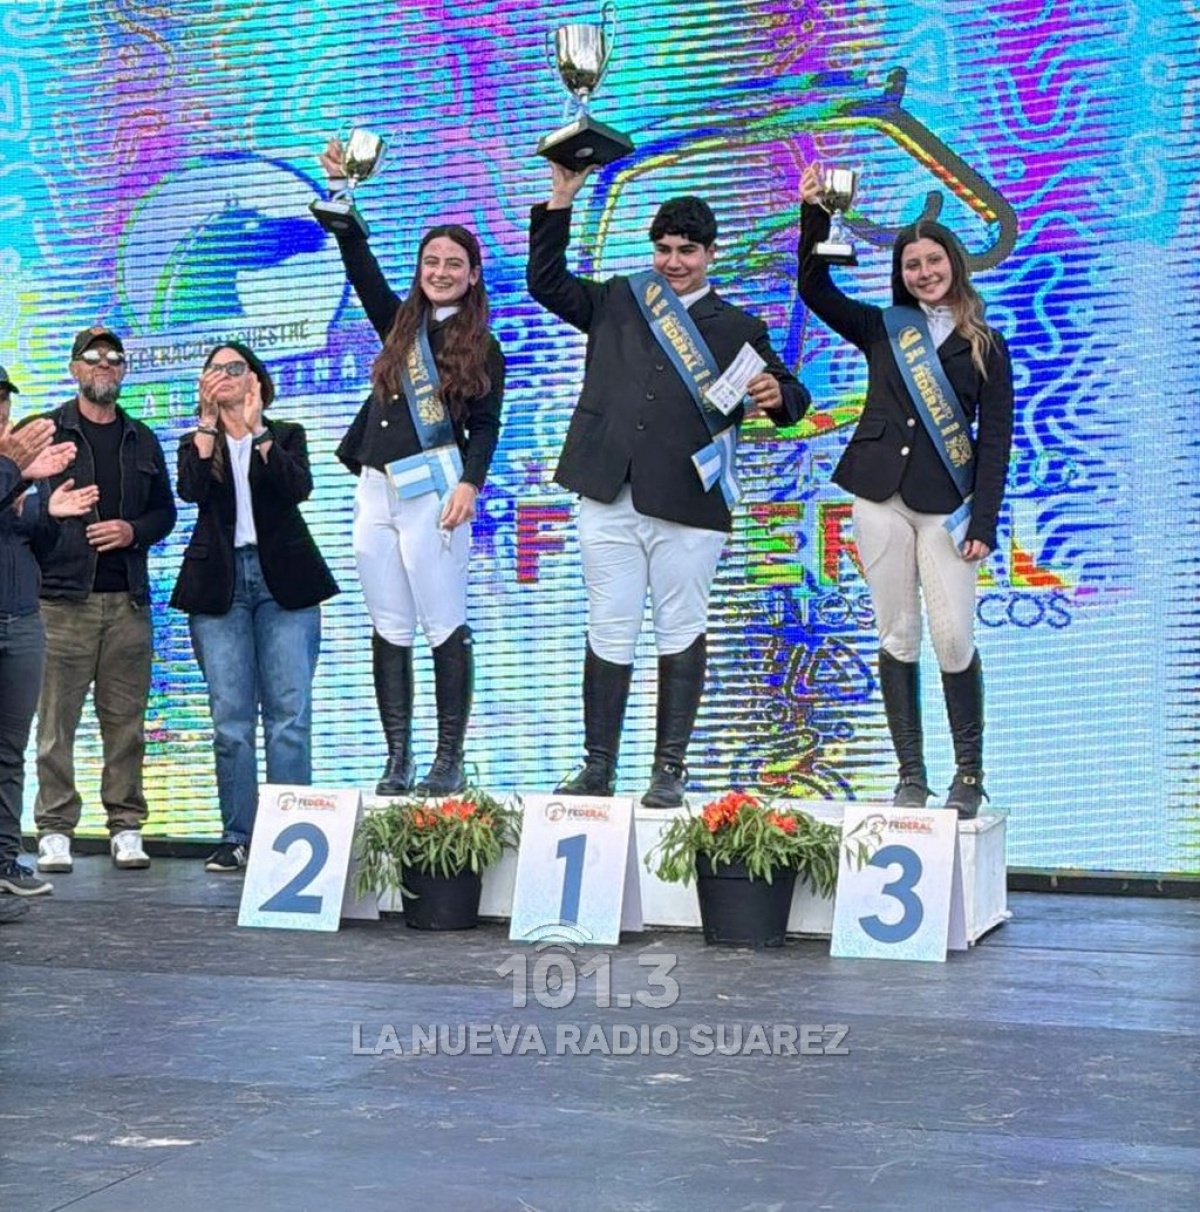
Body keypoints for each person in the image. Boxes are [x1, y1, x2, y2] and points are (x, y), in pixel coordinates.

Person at [527, 163, 811, 808]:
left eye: (686, 251)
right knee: (609, 624)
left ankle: (669, 769)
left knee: (680, 627)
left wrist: (776, 394)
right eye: (663, 249)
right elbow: (545, 282)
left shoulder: (739, 328)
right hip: (607, 490)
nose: (673, 262)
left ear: (711, 254)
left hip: (688, 502)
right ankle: (598, 767)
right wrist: (561, 199)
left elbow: (792, 396)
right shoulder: (619, 298)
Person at [797, 162, 1015, 818]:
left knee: (953, 638)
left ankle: (968, 774)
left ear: (954, 264)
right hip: (877, 494)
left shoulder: (987, 344)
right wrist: (815, 214)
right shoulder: (882, 327)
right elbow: (814, 289)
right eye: (912, 264)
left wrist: (984, 522)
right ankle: (910, 777)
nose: (924, 272)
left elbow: (996, 440)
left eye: (933, 261)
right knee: (897, 634)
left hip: (949, 506)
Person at [317, 139, 505, 798]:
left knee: (442, 620)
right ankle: (397, 757)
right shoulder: (399, 326)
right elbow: (360, 266)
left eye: (454, 263)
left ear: (473, 274)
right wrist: (343, 194)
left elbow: (486, 426)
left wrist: (470, 483)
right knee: (388, 623)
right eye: (431, 261)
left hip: (437, 490)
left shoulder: (483, 346)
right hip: (376, 488)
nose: (440, 271)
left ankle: (447, 758)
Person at [171, 343, 339, 872]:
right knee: (230, 720)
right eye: (214, 369)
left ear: (257, 381)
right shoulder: (197, 441)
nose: (224, 376)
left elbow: (297, 487)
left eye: (235, 368)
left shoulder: (285, 435)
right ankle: (237, 835)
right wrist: (207, 423)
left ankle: (290, 836)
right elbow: (191, 491)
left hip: (283, 581)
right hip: (219, 585)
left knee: (289, 714)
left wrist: (257, 431)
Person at [32, 326, 177, 874]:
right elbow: (16, 509)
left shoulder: (142, 438)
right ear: (74, 368)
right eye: (92, 357)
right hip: (61, 602)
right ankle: (54, 829)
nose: (104, 364)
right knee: (55, 726)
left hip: (128, 604)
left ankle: (126, 826)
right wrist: (52, 511)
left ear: (123, 371)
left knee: (127, 725)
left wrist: (132, 531)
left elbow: (165, 513)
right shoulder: (44, 432)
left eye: (114, 358)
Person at [0, 372, 100, 908]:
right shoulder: (13, 465)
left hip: (21, 618)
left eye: (4, 402)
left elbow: (35, 543)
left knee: (9, 751)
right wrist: (13, 474)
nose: (1, 411)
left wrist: (46, 509)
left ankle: (3, 860)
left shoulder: (18, 468)